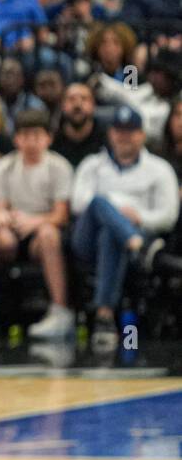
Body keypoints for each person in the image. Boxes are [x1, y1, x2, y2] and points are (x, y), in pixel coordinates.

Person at [70, 105, 179, 351]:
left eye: (130, 131)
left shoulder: (160, 169)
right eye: (119, 131)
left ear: (142, 134)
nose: (124, 136)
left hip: (127, 236)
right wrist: (119, 210)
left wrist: (139, 218)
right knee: (99, 203)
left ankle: (104, 317)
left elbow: (168, 216)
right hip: (87, 240)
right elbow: (78, 204)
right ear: (110, 134)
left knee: (111, 235)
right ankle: (138, 246)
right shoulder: (92, 165)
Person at [0, 110, 75, 341]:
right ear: (17, 139)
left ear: (48, 138)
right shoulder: (4, 166)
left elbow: (61, 215)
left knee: (48, 234)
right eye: (25, 136)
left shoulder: (59, 166)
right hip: (14, 231)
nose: (31, 142)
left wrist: (34, 221)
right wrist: (0, 217)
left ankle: (60, 310)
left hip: (41, 232)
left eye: (37, 135)